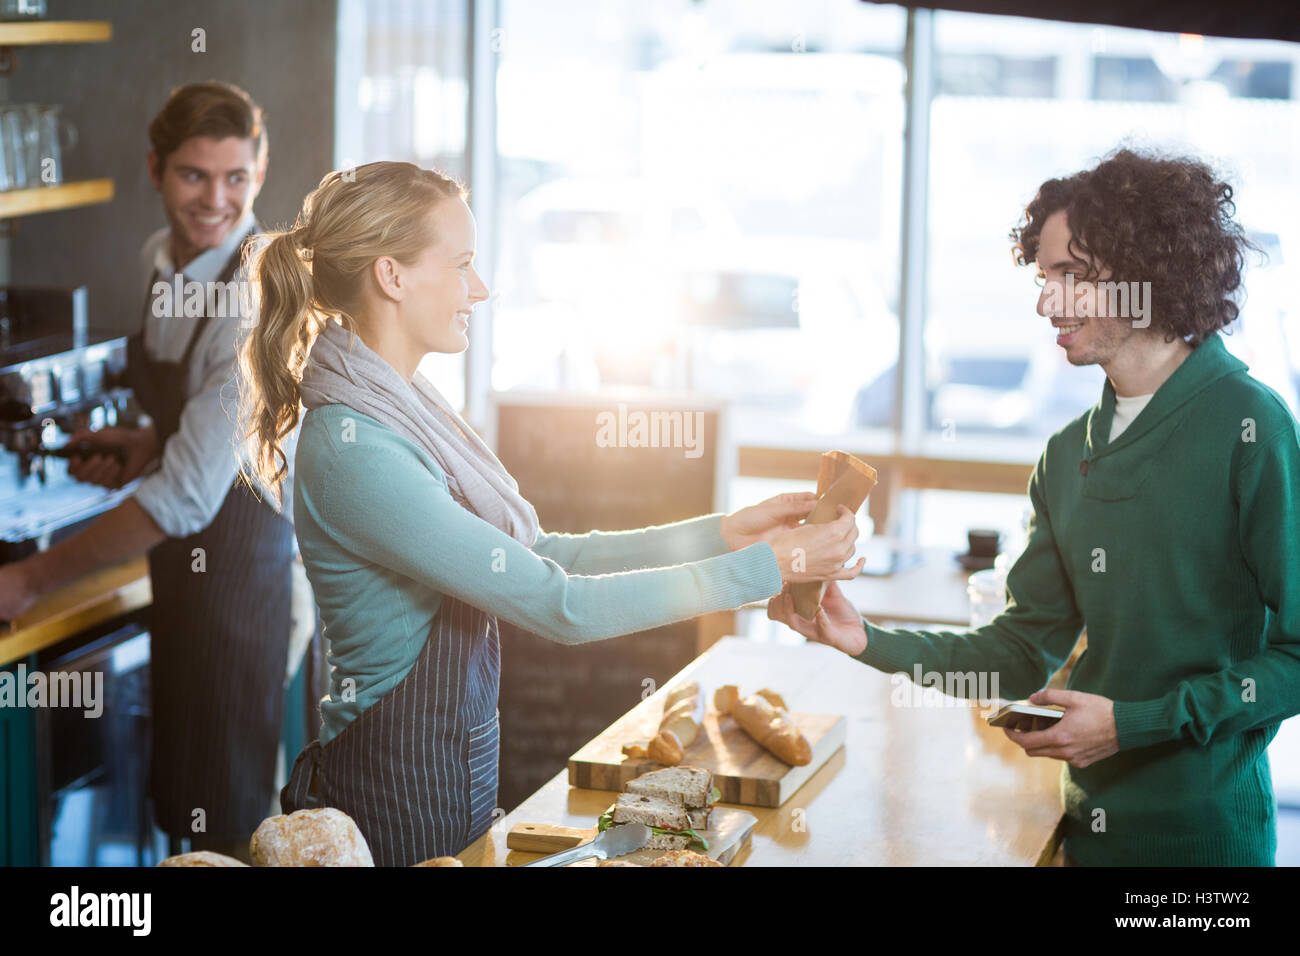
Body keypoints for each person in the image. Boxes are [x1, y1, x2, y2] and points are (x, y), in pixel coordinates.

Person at [237, 160, 862, 865]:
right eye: (464, 264)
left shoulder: (404, 409)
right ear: (392, 275)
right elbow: (560, 605)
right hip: (387, 802)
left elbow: (547, 556)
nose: (480, 288)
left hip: (447, 781)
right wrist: (759, 572)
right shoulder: (358, 447)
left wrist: (723, 534)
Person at [768, 148, 1300, 866]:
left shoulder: (1252, 427)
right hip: (1081, 838)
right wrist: (868, 639)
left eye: (1072, 276)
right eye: (1046, 276)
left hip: (1206, 854)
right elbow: (1019, 651)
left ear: (1152, 272)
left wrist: (1132, 724)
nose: (1048, 302)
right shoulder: (1064, 456)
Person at [0, 82, 300, 862]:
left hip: (240, 581)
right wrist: (149, 438)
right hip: (181, 573)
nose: (216, 200)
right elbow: (187, 417)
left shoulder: (254, 301)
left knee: (227, 822)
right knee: (181, 808)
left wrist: (30, 582)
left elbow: (186, 496)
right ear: (156, 171)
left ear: (260, 173)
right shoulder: (163, 263)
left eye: (237, 177)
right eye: (195, 175)